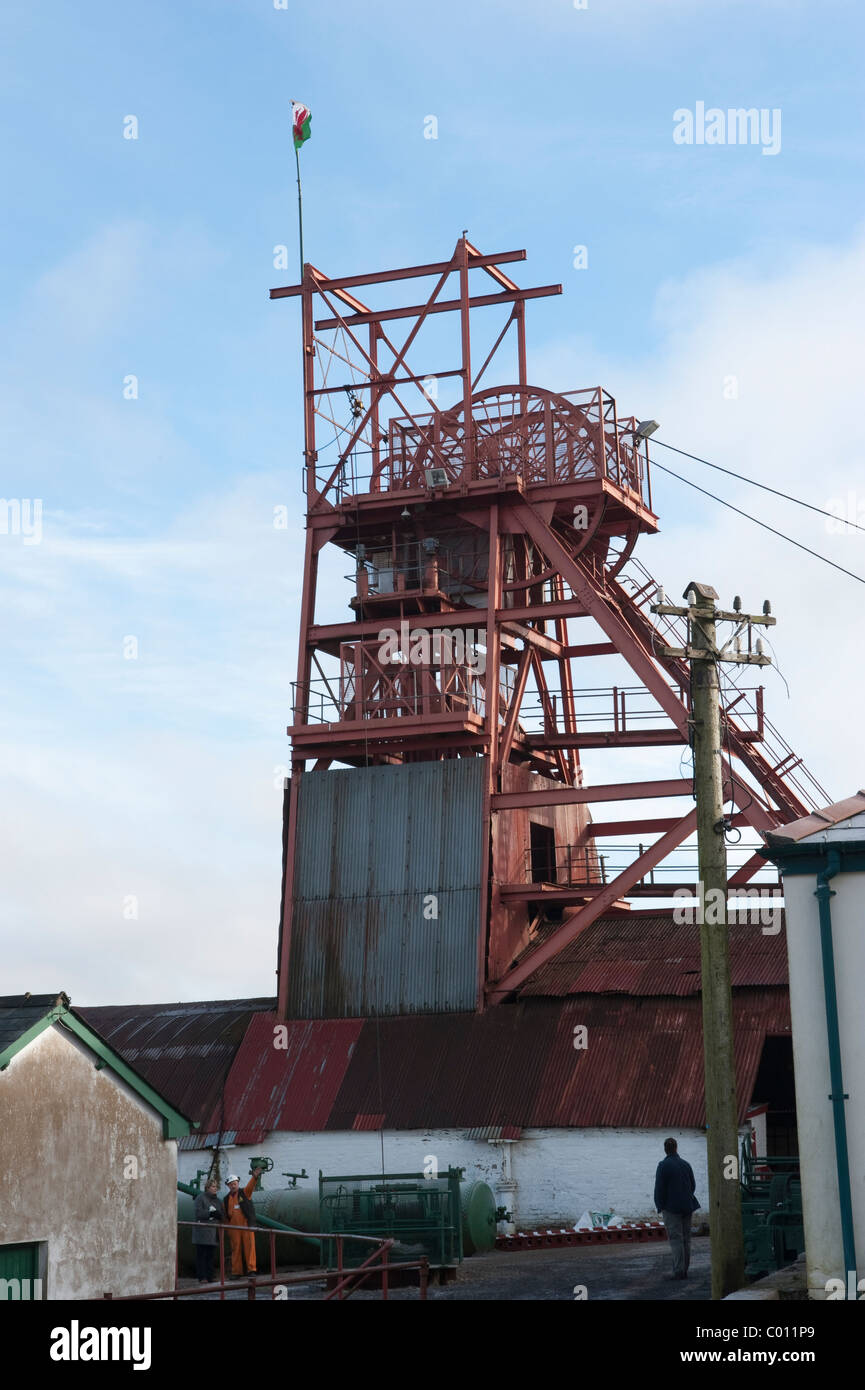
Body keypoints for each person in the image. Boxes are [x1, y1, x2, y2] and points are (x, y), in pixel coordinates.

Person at [654, 1137, 699, 1280]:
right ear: (676, 1148)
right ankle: (685, 1269)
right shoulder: (686, 1164)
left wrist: (660, 1205)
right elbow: (693, 1185)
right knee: (686, 1239)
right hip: (687, 1206)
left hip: (671, 1208)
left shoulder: (663, 1165)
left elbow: (659, 1189)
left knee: (676, 1239)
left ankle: (679, 1271)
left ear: (665, 1149)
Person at [223, 1168, 263, 1278]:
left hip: (246, 1225)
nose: (233, 1186)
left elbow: (250, 1187)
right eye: (231, 1184)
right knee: (235, 1249)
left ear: (238, 1183)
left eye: (234, 1184)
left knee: (250, 1247)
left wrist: (254, 1177)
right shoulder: (226, 1199)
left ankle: (251, 1270)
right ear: (228, 1186)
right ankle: (236, 1272)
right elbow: (226, 1215)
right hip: (233, 1227)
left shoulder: (244, 1193)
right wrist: (227, 1228)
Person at [192, 1179, 223, 1284]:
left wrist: (220, 1215)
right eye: (213, 1187)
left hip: (213, 1232)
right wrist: (210, 1214)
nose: (215, 1189)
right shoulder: (200, 1198)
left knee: (210, 1255)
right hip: (201, 1232)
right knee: (202, 1255)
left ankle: (210, 1276)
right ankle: (202, 1277)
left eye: (216, 1187)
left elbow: (221, 1213)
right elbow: (198, 1213)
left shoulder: (218, 1201)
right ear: (208, 1188)